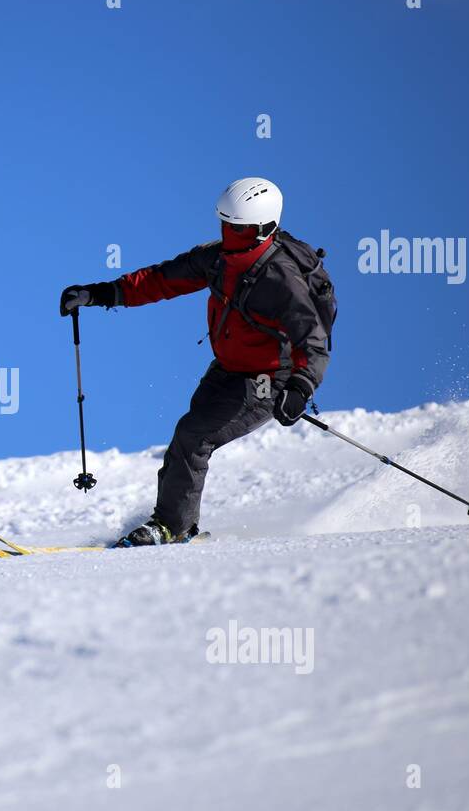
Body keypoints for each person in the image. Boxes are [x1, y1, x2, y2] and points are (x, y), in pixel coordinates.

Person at [60, 178, 333, 547]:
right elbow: (161, 280)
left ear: (263, 229)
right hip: (227, 368)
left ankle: (170, 527)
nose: (228, 233)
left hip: (269, 378)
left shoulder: (280, 278)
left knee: (194, 436)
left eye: (238, 228)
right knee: (185, 437)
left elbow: (313, 340)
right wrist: (100, 294)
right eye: (224, 224)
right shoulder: (218, 258)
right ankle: (176, 523)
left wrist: (300, 386)